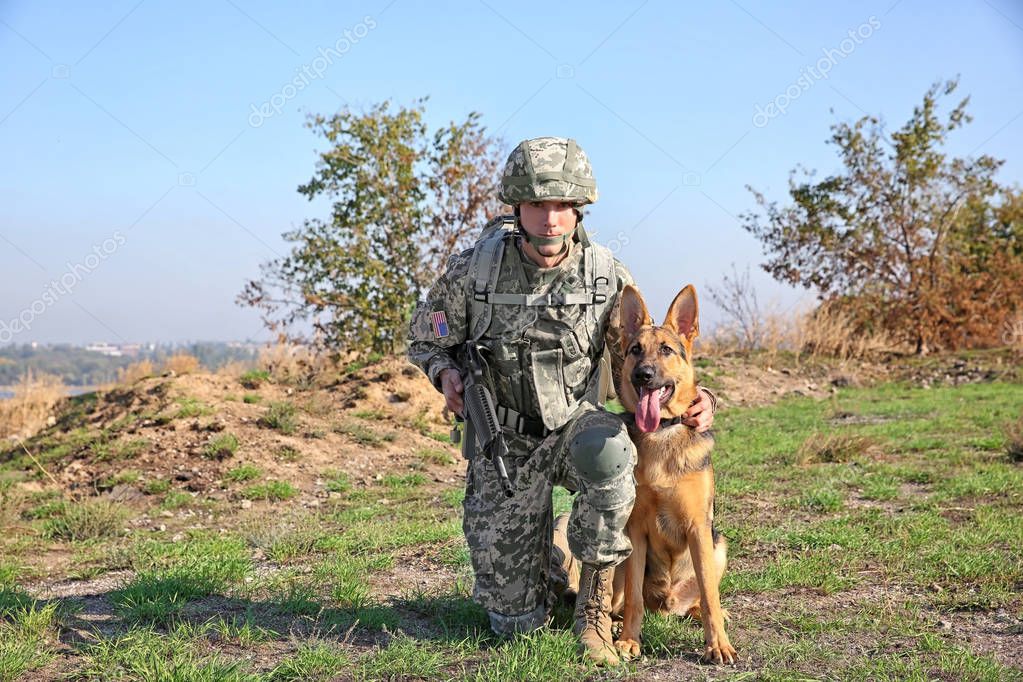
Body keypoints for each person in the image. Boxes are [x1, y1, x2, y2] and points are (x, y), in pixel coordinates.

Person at [407, 137, 715, 665]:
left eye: (562, 207)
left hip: (575, 427)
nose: (550, 220)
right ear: (517, 207)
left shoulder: (605, 276)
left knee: (613, 453)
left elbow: (652, 357)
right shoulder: (473, 271)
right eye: (537, 205)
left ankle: (595, 609)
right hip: (504, 439)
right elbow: (424, 339)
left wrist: (702, 398)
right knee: (516, 624)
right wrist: (445, 373)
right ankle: (548, 564)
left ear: (578, 210)